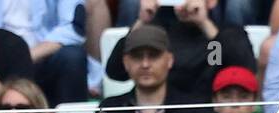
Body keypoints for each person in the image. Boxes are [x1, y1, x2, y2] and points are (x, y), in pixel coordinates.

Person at [105, 0, 255, 100]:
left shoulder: (225, 33)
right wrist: (142, 21)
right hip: (162, 112)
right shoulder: (155, 31)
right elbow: (116, 71)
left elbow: (240, 72)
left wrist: (204, 24)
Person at [95, 24, 216, 113]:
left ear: (169, 60)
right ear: (126, 62)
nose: (145, 64)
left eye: (154, 55)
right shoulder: (108, 110)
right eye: (137, 56)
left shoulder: (194, 110)